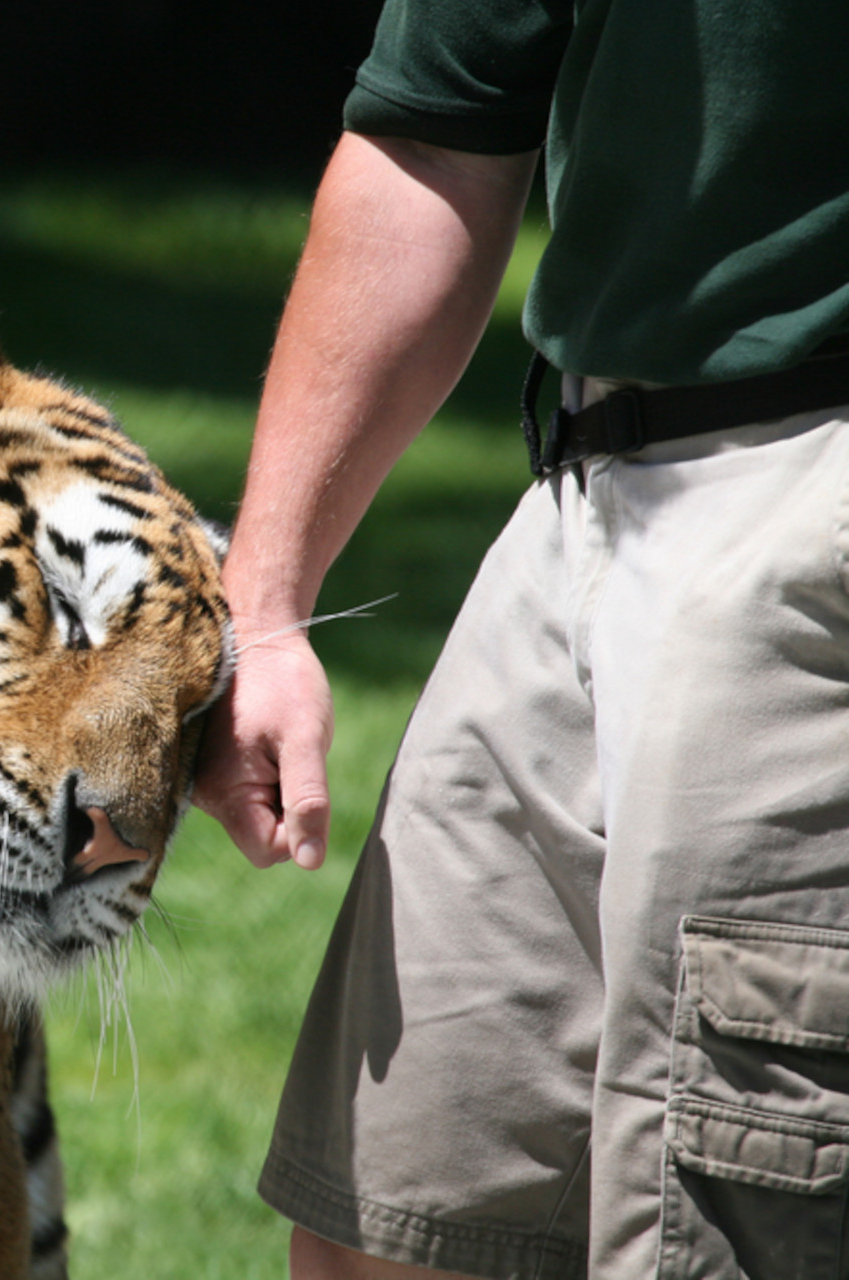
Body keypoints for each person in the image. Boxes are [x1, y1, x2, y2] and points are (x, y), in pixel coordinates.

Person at [191, 1, 849, 1277]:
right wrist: (263, 608)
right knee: (387, 1224)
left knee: (709, 1232)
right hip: (588, 477)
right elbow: (435, 133)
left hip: (812, 490)